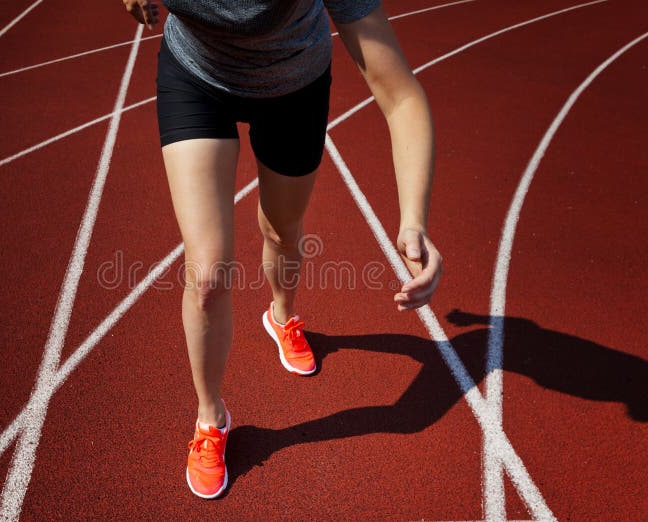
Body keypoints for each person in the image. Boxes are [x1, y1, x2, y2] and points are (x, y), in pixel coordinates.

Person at [122, 0, 443, 499]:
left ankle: (281, 314)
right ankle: (211, 418)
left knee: (282, 231)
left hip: (294, 85)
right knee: (207, 275)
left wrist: (414, 221)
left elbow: (401, 97)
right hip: (197, 75)